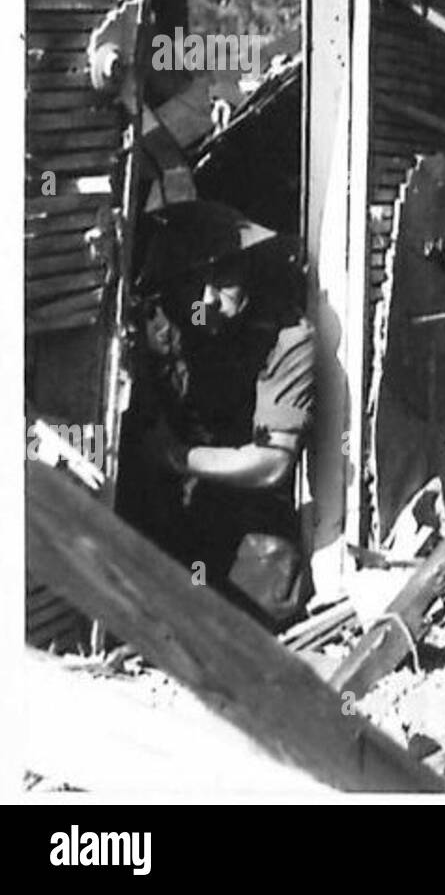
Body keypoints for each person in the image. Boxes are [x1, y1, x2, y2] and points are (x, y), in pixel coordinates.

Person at [118, 200, 314, 631]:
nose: (209, 299)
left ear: (250, 268)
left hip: (233, 495)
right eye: (194, 281)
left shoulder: (286, 337)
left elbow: (271, 464)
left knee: (269, 593)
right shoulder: (155, 318)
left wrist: (176, 456)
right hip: (152, 492)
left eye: (225, 277)